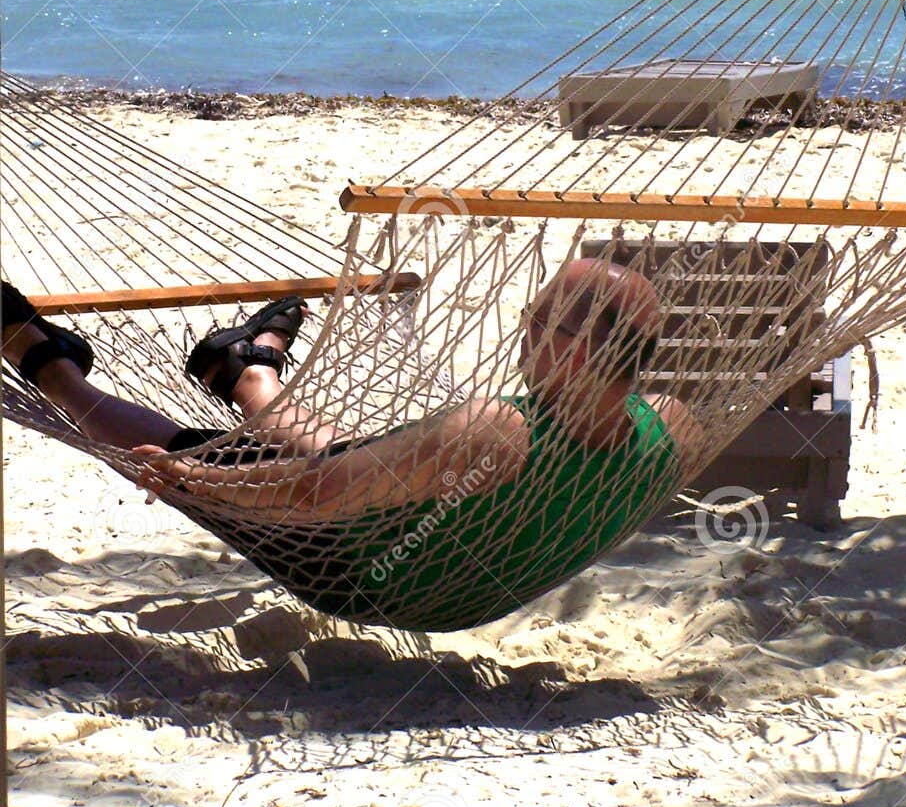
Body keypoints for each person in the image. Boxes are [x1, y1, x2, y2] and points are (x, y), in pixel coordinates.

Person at [1, 260, 700, 630]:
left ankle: (45, 360)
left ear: (573, 350)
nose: (522, 330)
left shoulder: (498, 431)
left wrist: (185, 477)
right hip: (457, 577)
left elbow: (312, 495)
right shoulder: (675, 426)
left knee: (205, 451)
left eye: (536, 319)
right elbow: (339, 472)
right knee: (355, 453)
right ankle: (247, 369)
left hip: (356, 569)